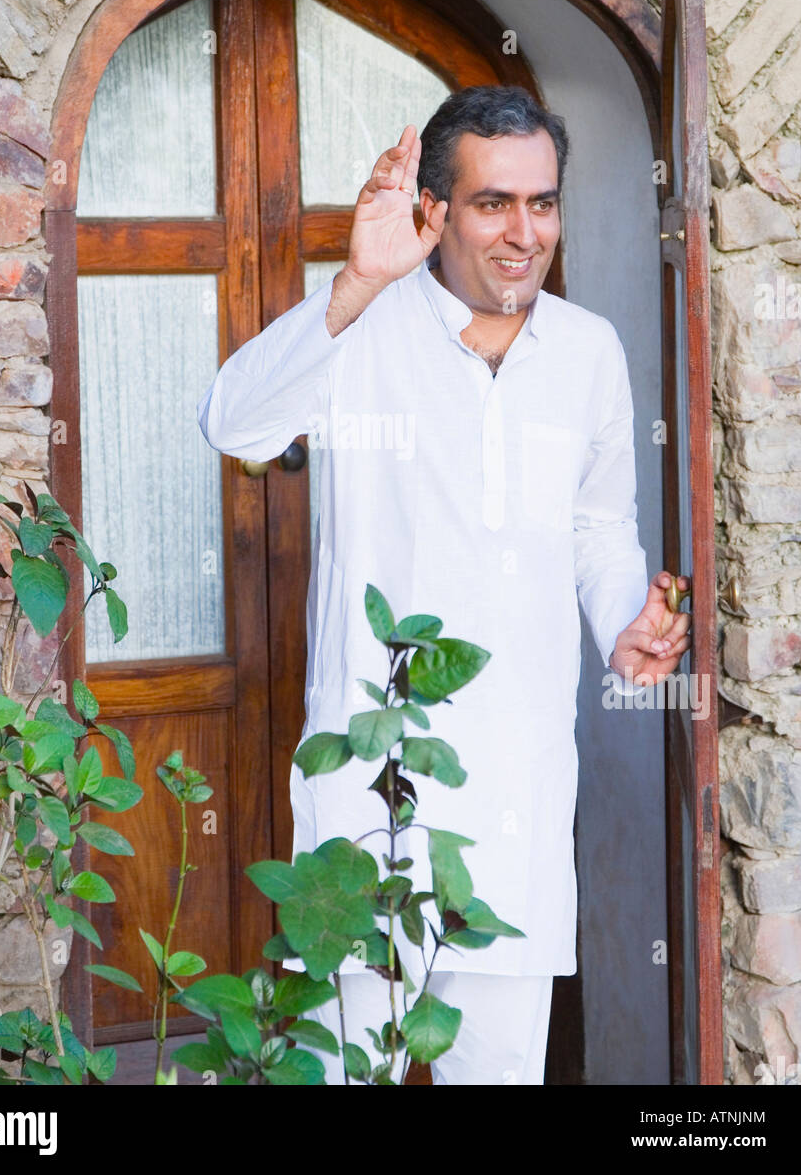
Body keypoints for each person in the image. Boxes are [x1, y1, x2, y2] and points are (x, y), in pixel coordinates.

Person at [196, 85, 690, 1085]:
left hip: (517, 788)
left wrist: (622, 624)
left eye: (542, 203)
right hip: (370, 783)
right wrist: (354, 282)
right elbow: (233, 424)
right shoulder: (363, 330)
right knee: (344, 1064)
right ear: (434, 210)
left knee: (499, 1071)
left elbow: (599, 526)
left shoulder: (588, 350)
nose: (524, 233)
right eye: (492, 203)